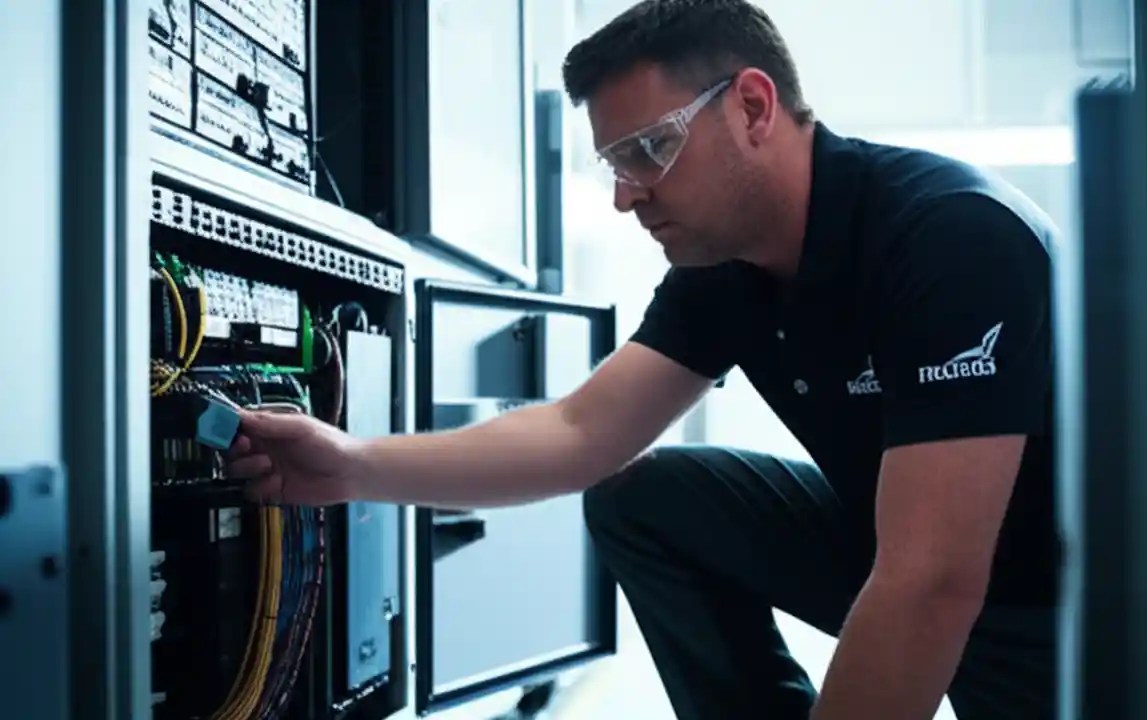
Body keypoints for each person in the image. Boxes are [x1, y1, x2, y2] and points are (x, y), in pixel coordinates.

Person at [228, 0, 1063, 717]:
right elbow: (579, 431)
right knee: (643, 498)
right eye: (614, 163)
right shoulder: (726, 266)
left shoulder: (951, 237)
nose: (627, 193)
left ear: (753, 106)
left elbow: (935, 581)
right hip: (906, 553)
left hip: (1063, 607)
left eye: (648, 150)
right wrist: (351, 466)